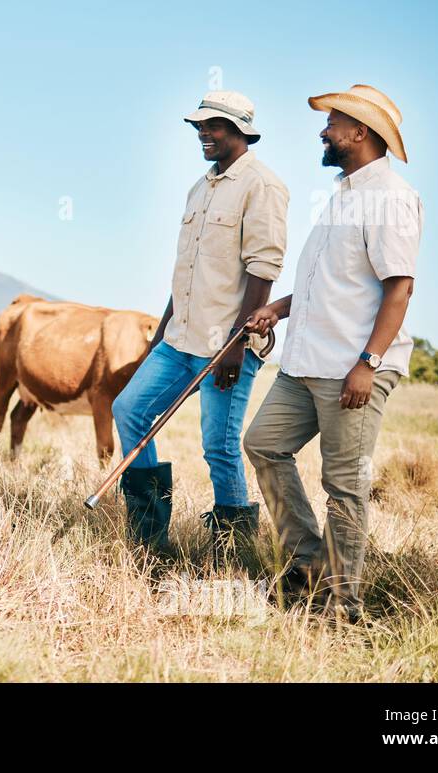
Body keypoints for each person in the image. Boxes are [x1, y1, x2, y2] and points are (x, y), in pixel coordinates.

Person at [244, 84, 423, 622]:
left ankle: (342, 608)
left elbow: (399, 288)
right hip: (303, 363)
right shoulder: (342, 196)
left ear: (360, 132)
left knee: (344, 488)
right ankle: (308, 565)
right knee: (263, 444)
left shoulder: (391, 198)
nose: (324, 132)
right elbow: (333, 282)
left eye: (333, 124)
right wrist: (279, 308)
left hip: (353, 367)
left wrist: (367, 364)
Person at [111, 91, 288, 553]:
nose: (203, 135)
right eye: (199, 128)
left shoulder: (262, 186)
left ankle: (233, 552)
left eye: (213, 127)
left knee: (220, 448)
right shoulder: (199, 188)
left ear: (241, 131)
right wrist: (157, 339)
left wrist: (236, 342)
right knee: (129, 409)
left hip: (224, 345)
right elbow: (186, 276)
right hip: (178, 339)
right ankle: (150, 540)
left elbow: (263, 269)